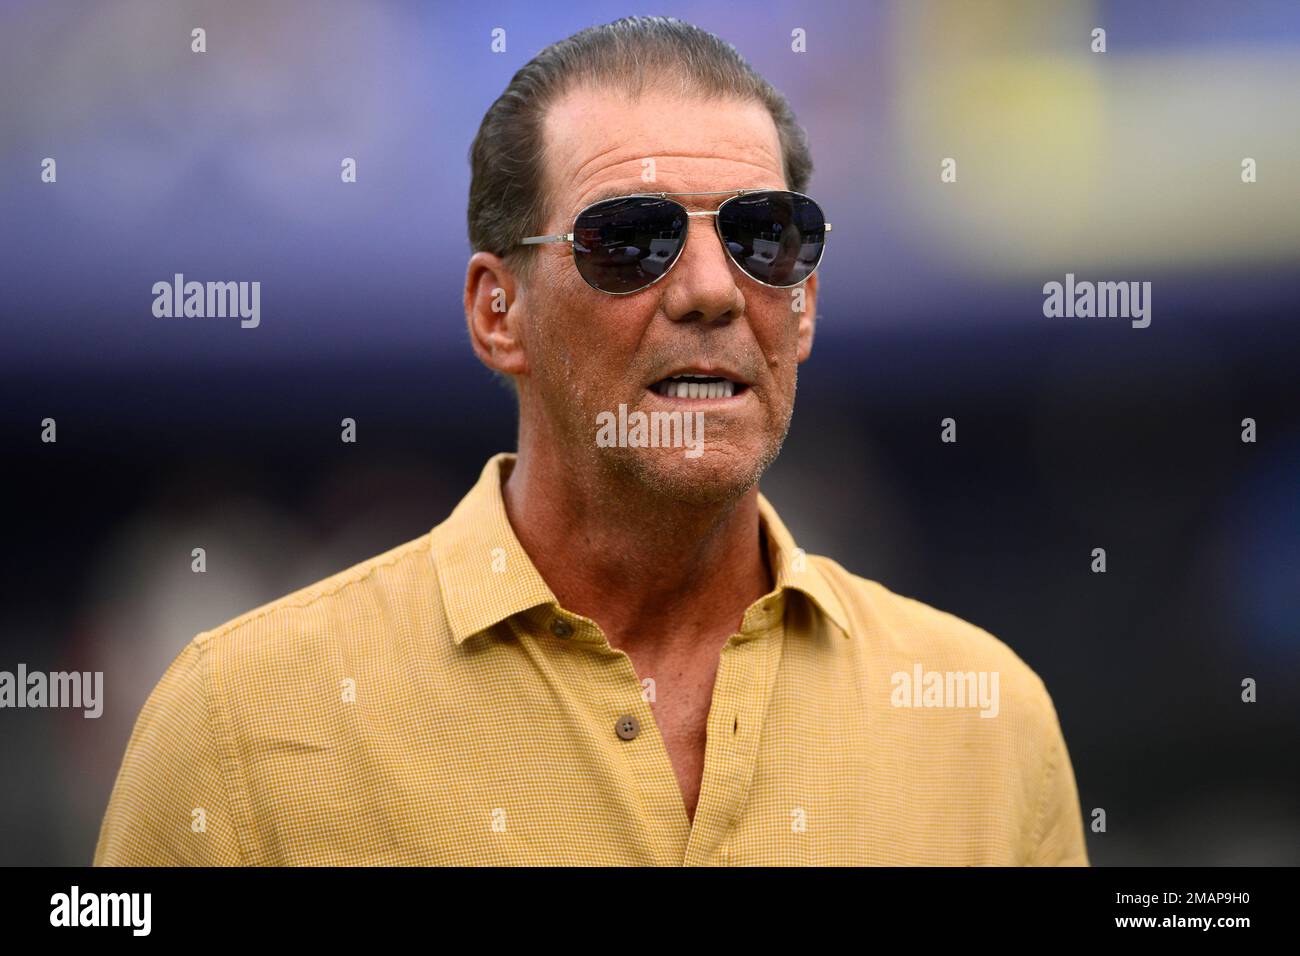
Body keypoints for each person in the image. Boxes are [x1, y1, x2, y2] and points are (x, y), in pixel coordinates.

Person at [95, 16, 1087, 866]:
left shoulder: (986, 722)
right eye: (631, 239)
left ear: (805, 307)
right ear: (498, 313)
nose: (711, 290)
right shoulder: (238, 726)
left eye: (762, 237)